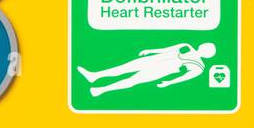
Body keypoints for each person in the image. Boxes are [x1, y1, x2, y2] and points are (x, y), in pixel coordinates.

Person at [78, 41, 216, 97]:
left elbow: (184, 77)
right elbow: (167, 49)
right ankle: (94, 76)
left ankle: (100, 90)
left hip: (163, 69)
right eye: (205, 45)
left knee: (132, 80)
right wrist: (151, 51)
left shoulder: (199, 67)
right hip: (154, 59)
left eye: (207, 48)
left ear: (208, 54)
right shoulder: (187, 45)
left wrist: (169, 82)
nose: (204, 47)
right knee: (123, 68)